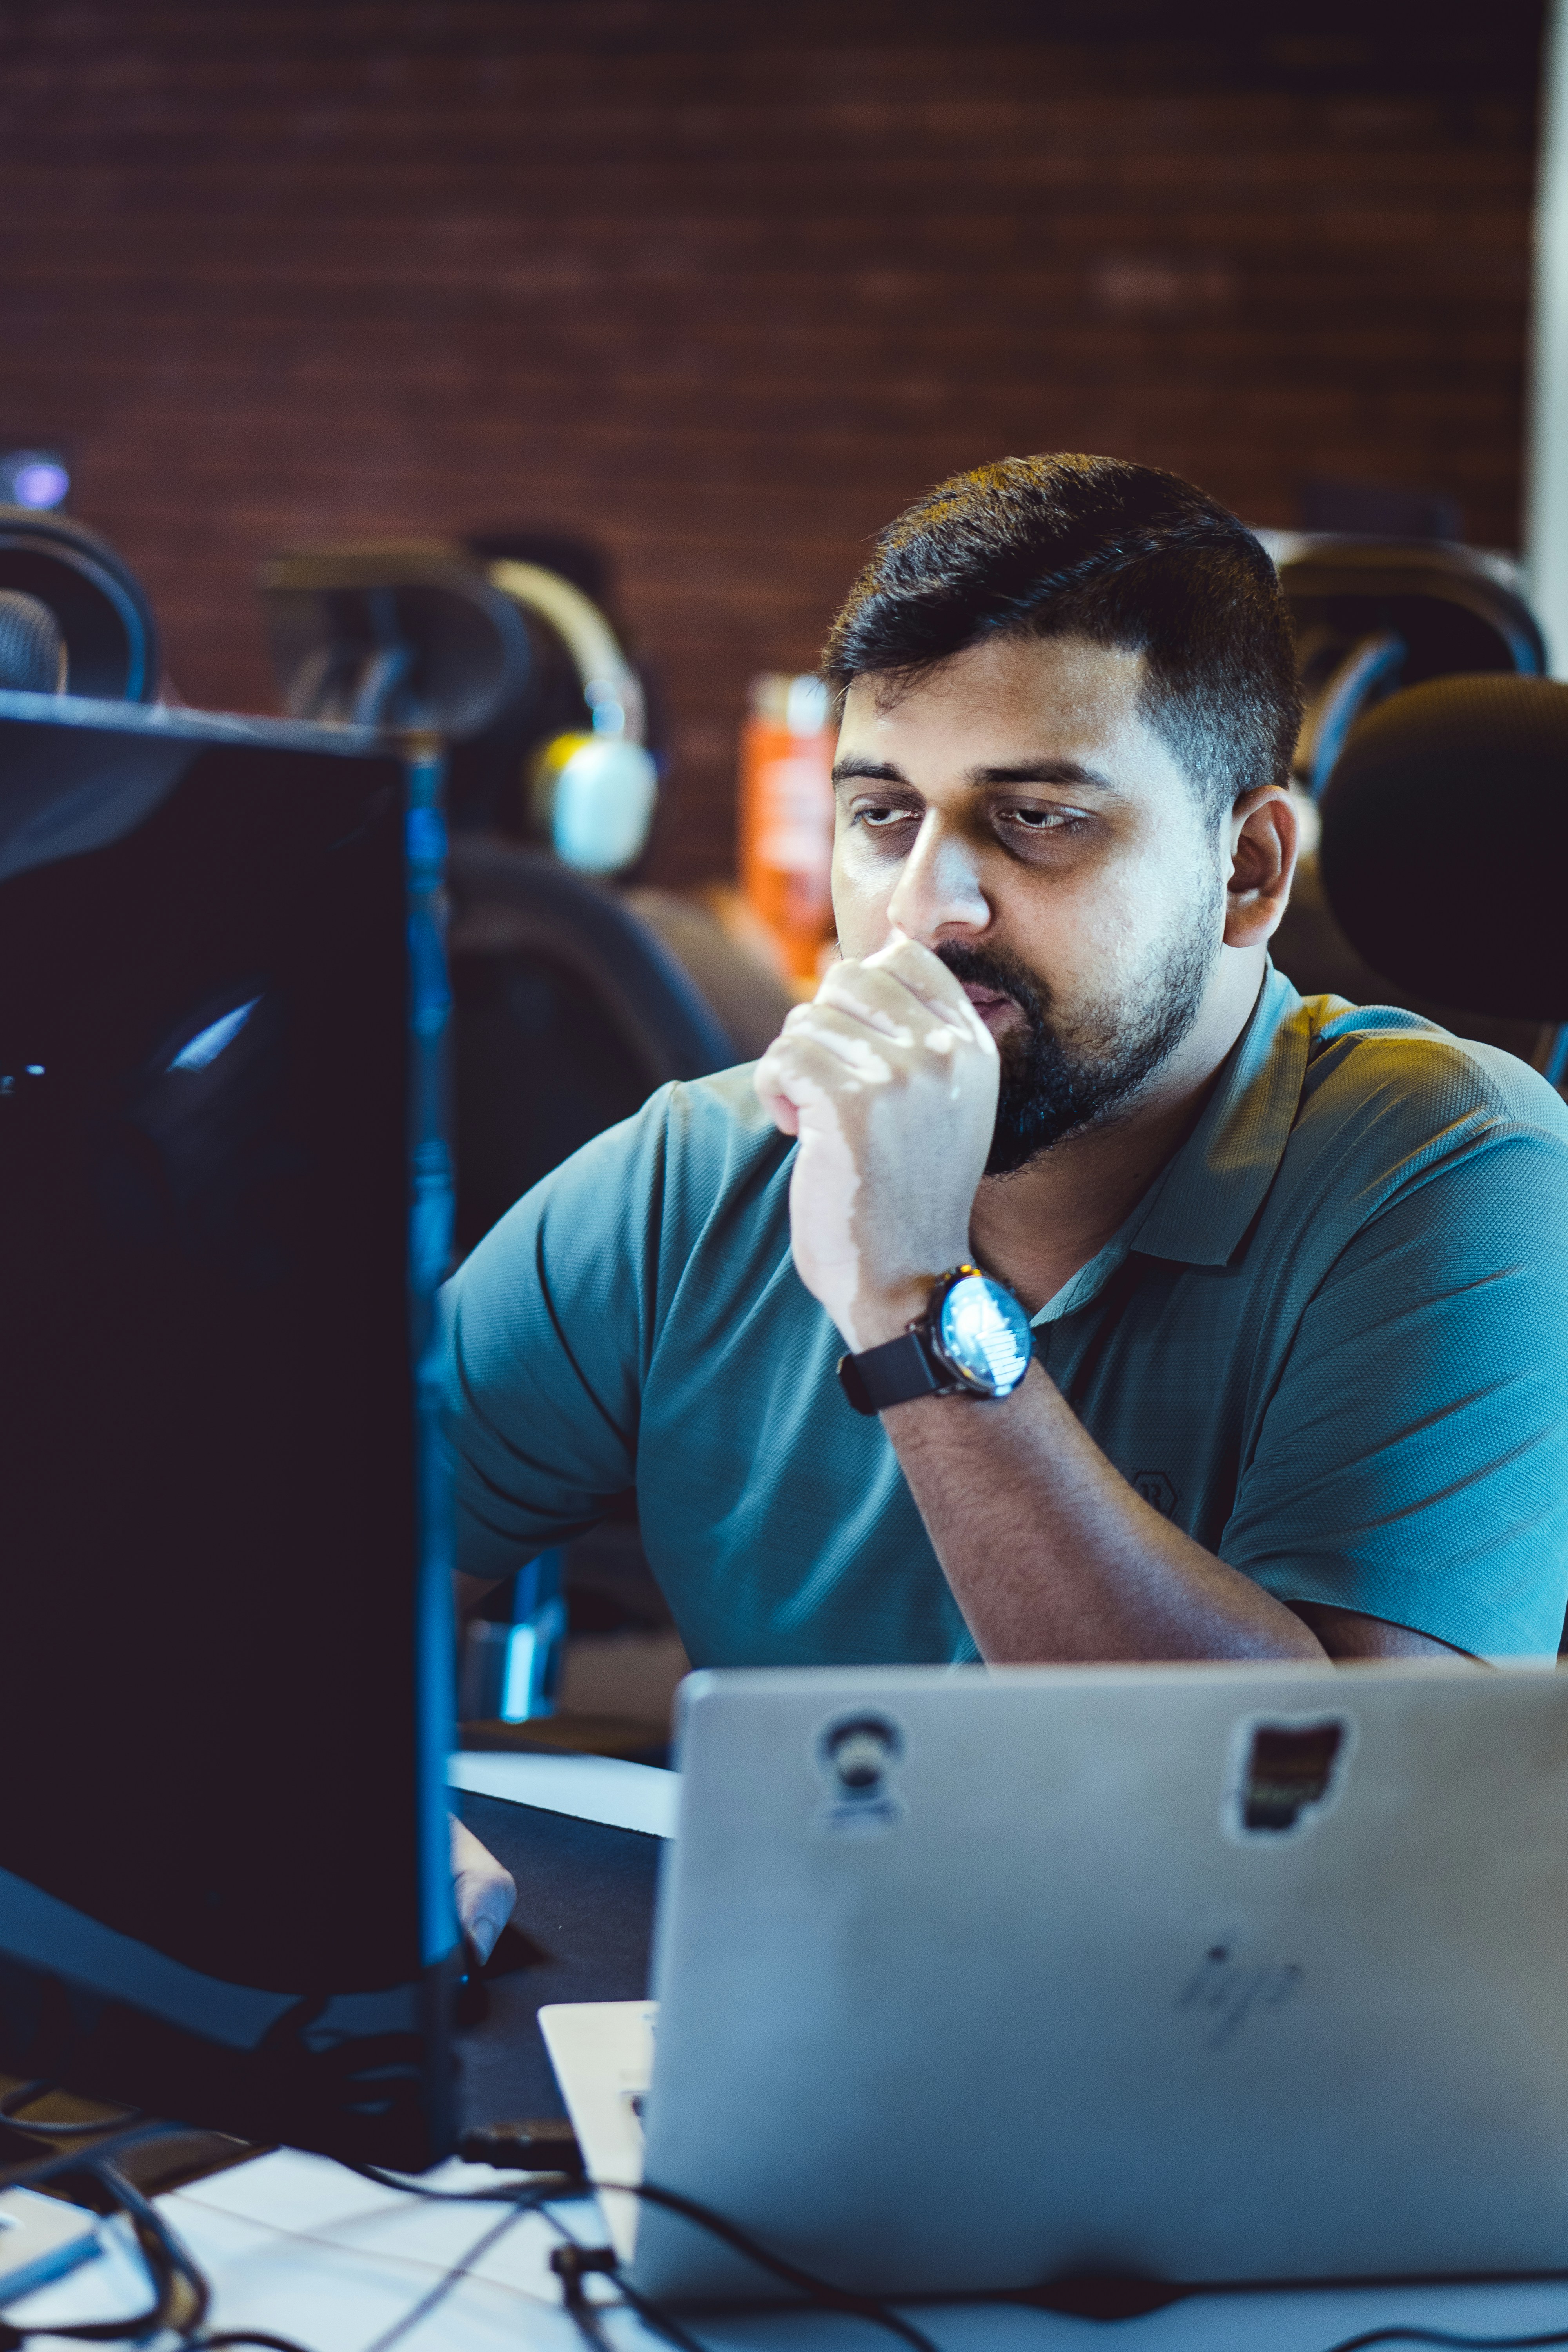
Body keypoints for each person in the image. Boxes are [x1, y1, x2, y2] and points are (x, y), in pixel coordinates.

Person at [445, 454, 1568, 1789]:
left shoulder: (1458, 1167)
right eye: (881, 815)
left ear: (1247, 870)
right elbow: (294, 1572)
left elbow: (1344, 1813)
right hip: (789, 1973)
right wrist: (365, 1819)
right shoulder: (701, 1169)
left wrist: (917, 1301)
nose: (927, 910)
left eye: (1037, 820)